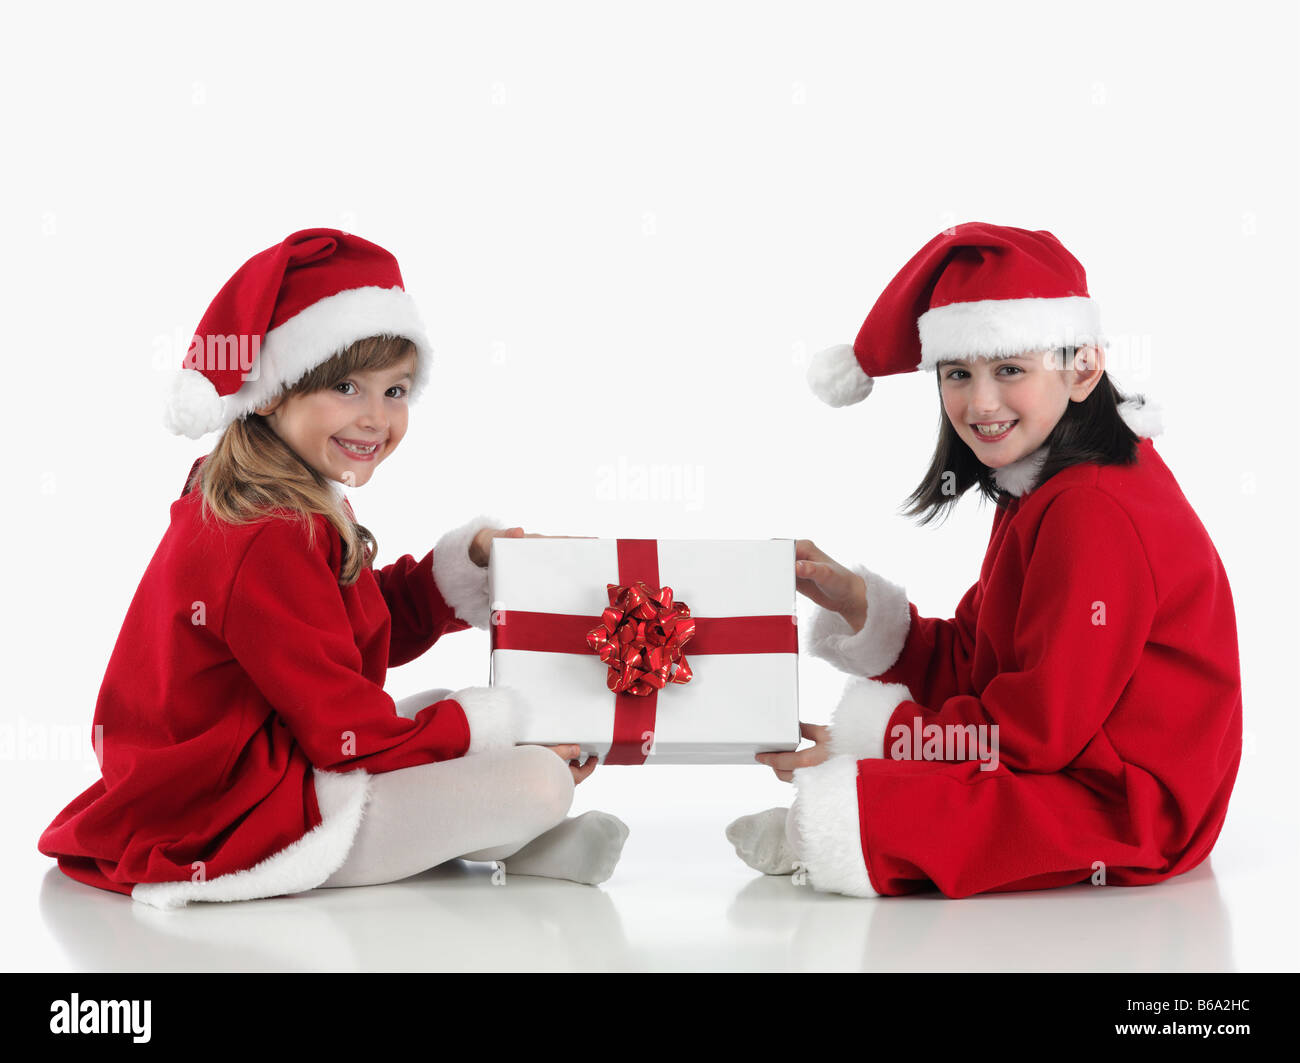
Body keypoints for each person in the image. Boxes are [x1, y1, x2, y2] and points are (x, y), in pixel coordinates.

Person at [38, 227, 628, 910]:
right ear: (268, 392)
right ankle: (527, 826)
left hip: (273, 767)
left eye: (397, 390)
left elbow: (334, 630)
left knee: (454, 721)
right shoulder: (266, 533)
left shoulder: (279, 500)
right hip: (230, 814)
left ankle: (519, 843)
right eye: (346, 386)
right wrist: (496, 727)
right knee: (534, 778)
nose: (376, 418)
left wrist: (451, 577)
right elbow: (350, 737)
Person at [727, 221, 1242, 898]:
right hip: (1073, 752)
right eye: (958, 374)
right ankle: (842, 820)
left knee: (933, 804)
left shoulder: (1092, 509)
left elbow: (1032, 734)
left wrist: (884, 740)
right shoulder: (1035, 486)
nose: (980, 403)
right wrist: (861, 605)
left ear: (1082, 367)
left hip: (1130, 801)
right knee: (919, 779)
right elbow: (980, 661)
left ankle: (832, 828)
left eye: (1010, 370)